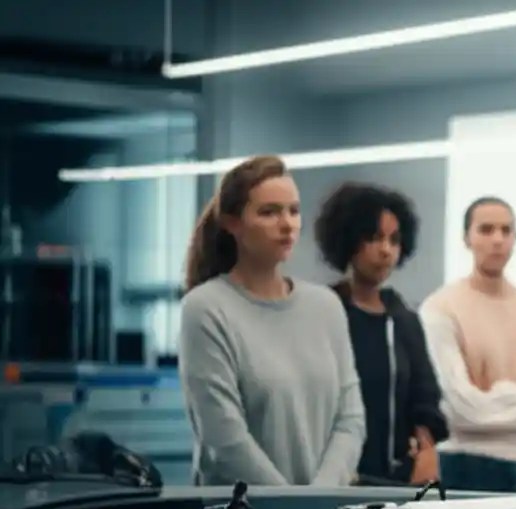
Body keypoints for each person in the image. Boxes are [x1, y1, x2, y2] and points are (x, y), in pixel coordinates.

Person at [179, 155, 365, 487]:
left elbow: (350, 420)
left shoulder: (325, 306)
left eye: (293, 210)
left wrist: (319, 499)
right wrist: (290, 506)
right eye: (269, 212)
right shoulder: (206, 308)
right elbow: (224, 438)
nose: (287, 223)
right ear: (232, 222)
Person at [418, 196, 516, 493]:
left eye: (506, 230)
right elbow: (459, 409)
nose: (498, 240)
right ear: (467, 237)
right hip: (462, 465)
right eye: (486, 230)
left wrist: (494, 394)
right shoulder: (440, 307)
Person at [315, 181, 450, 486]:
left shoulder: (404, 321)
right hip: (334, 478)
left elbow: (425, 400)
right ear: (349, 240)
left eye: (394, 239)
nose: (386, 250)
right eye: (375, 238)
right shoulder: (324, 312)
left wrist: (426, 455)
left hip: (397, 481)